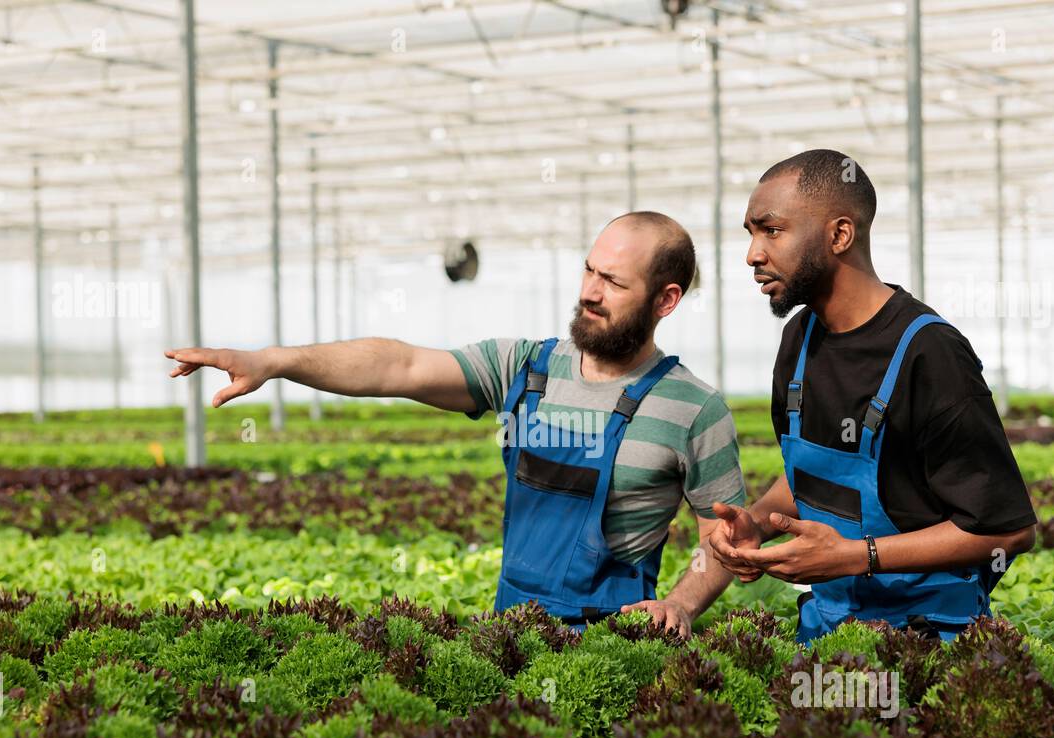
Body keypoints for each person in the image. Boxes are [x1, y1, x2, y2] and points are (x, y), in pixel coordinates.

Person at [166, 211, 746, 637]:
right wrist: (277, 361)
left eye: (614, 283)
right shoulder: (524, 367)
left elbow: (719, 539)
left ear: (666, 300)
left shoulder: (693, 408)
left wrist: (683, 602)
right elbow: (400, 364)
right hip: (508, 632)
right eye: (589, 271)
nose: (590, 293)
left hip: (617, 641)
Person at [708, 150, 1037, 643]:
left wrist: (857, 555)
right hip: (827, 630)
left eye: (770, 230)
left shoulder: (929, 353)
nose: (752, 253)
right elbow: (813, 477)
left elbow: (1008, 530)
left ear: (840, 235)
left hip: (926, 639)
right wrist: (756, 522)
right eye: (750, 233)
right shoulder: (800, 339)